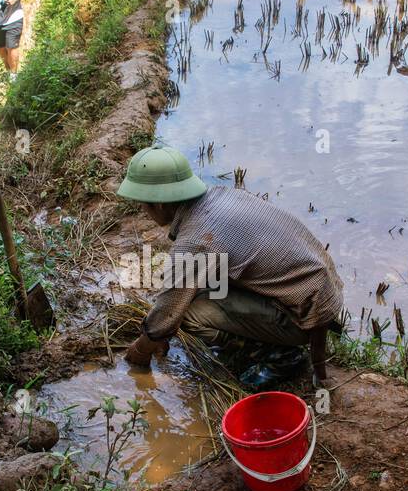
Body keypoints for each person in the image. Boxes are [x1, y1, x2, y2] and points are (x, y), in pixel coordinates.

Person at [116, 146, 344, 384]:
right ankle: (268, 339)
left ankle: (276, 354)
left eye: (143, 205)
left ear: (160, 204)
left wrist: (142, 349)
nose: (143, 211)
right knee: (199, 286)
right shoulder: (222, 196)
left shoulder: (196, 240)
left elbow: (168, 313)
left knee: (188, 313)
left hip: (303, 317)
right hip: (319, 295)